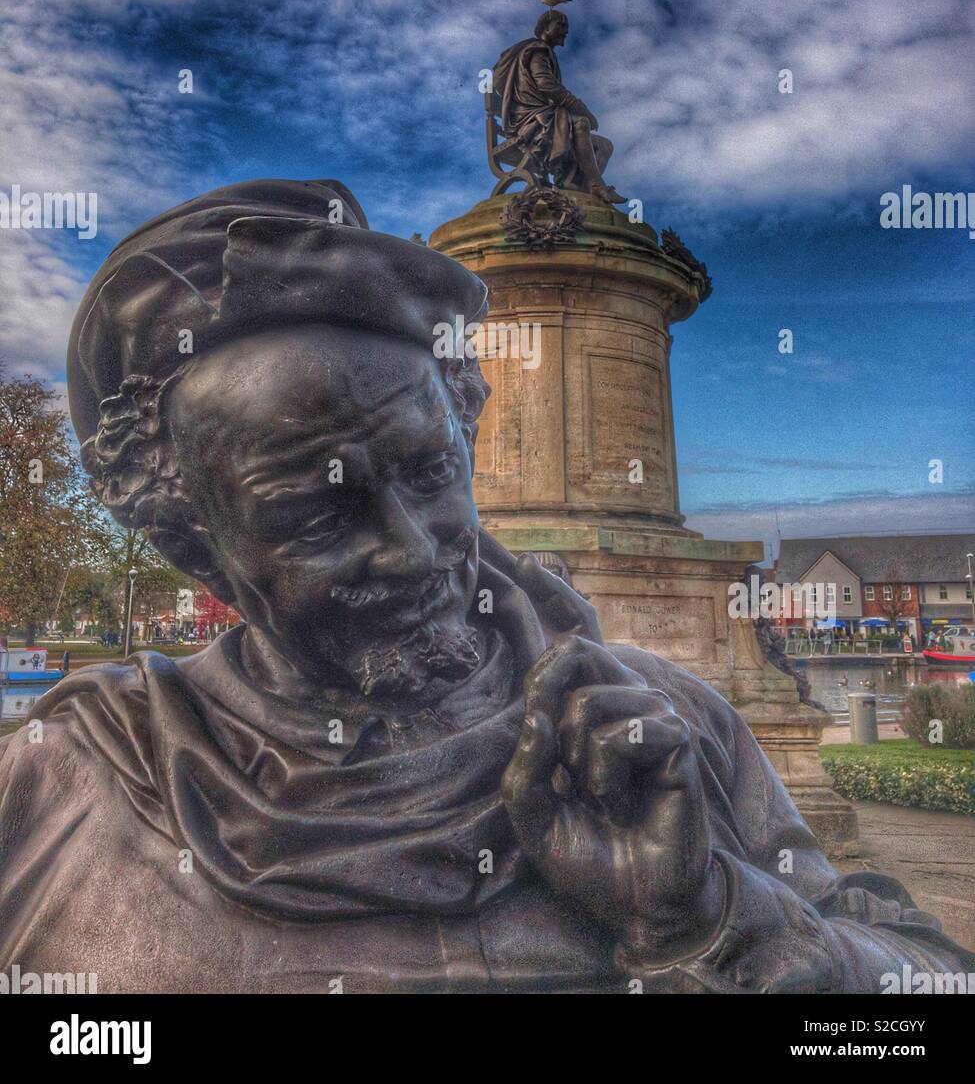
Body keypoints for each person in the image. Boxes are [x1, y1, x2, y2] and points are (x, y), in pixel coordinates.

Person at [0, 179, 971, 993]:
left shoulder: (665, 725)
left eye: (429, 472)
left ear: (464, 430)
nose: (415, 550)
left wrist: (715, 915)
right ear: (192, 541)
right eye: (319, 512)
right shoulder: (54, 787)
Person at [492, 10, 625, 204]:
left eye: (567, 28)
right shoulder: (538, 50)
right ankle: (598, 186)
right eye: (561, 26)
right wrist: (581, 108)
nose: (565, 32)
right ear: (545, 27)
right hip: (529, 120)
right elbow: (546, 85)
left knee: (604, 146)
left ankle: (581, 192)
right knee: (581, 123)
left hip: (545, 118)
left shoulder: (547, 53)